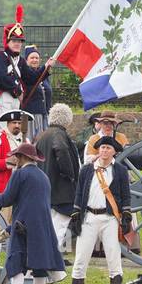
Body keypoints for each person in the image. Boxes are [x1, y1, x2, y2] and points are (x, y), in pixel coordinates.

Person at [0, 142, 65, 284]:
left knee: (16, 263)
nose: (15, 160)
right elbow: (31, 202)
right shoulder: (43, 177)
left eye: (17, 157)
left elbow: (6, 199)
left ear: (23, 158)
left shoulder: (20, 174)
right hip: (42, 225)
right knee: (39, 267)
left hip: (24, 225)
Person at [70, 135, 133, 284]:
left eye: (108, 148)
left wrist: (126, 214)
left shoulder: (120, 170)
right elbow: (79, 192)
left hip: (109, 218)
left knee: (113, 256)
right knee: (81, 257)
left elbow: (126, 196)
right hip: (89, 217)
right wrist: (76, 213)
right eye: (102, 147)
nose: (105, 151)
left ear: (114, 152)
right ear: (98, 150)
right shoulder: (86, 170)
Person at [35, 104, 81, 254]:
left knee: (53, 222)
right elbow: (60, 150)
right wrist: (70, 173)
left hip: (47, 185)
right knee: (60, 225)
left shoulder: (43, 135)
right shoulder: (59, 135)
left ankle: (49, 254)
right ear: (67, 119)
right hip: (60, 188)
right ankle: (51, 255)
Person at [0, 8, 25, 129]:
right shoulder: (1, 56)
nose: (17, 43)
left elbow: (31, 77)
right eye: (14, 40)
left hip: (16, 101)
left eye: (20, 41)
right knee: (2, 130)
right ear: (7, 42)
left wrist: (46, 68)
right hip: (4, 97)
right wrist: (17, 90)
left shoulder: (21, 60)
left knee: (15, 132)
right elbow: (0, 76)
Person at [0, 109, 31, 197]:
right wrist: (8, 161)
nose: (17, 125)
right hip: (2, 187)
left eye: (19, 123)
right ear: (8, 123)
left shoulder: (26, 141)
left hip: (21, 187)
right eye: (14, 122)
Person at [19, 45, 53, 139]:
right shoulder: (26, 74)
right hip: (30, 115)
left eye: (37, 58)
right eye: (32, 58)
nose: (35, 60)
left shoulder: (43, 74)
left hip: (44, 114)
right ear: (26, 60)